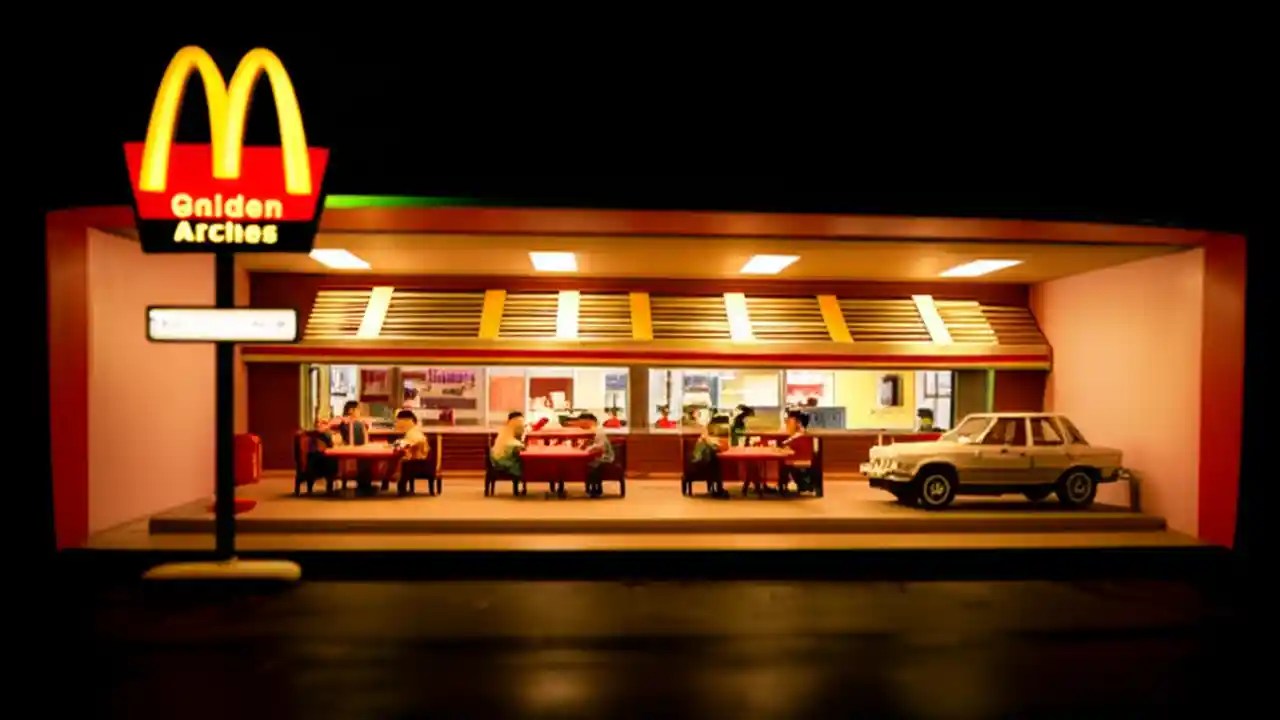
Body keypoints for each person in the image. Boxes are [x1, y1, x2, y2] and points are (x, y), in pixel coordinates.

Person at [579, 412, 616, 496]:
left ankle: (595, 488)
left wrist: (587, 449)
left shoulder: (598, 431)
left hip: (604, 457)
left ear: (590, 422)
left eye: (583, 423)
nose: (581, 425)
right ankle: (591, 487)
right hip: (595, 455)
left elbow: (600, 446)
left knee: (591, 465)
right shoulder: (589, 431)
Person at [780, 409, 815, 492]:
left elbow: (787, 445)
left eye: (789, 422)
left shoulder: (799, 436)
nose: (787, 424)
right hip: (799, 458)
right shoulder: (803, 434)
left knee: (781, 463)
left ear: (798, 423)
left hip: (796, 459)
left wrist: (783, 447)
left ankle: (788, 484)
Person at [491, 411, 526, 478]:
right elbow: (519, 447)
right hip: (505, 464)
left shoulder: (504, 430)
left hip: (497, 461)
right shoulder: (512, 441)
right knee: (527, 464)